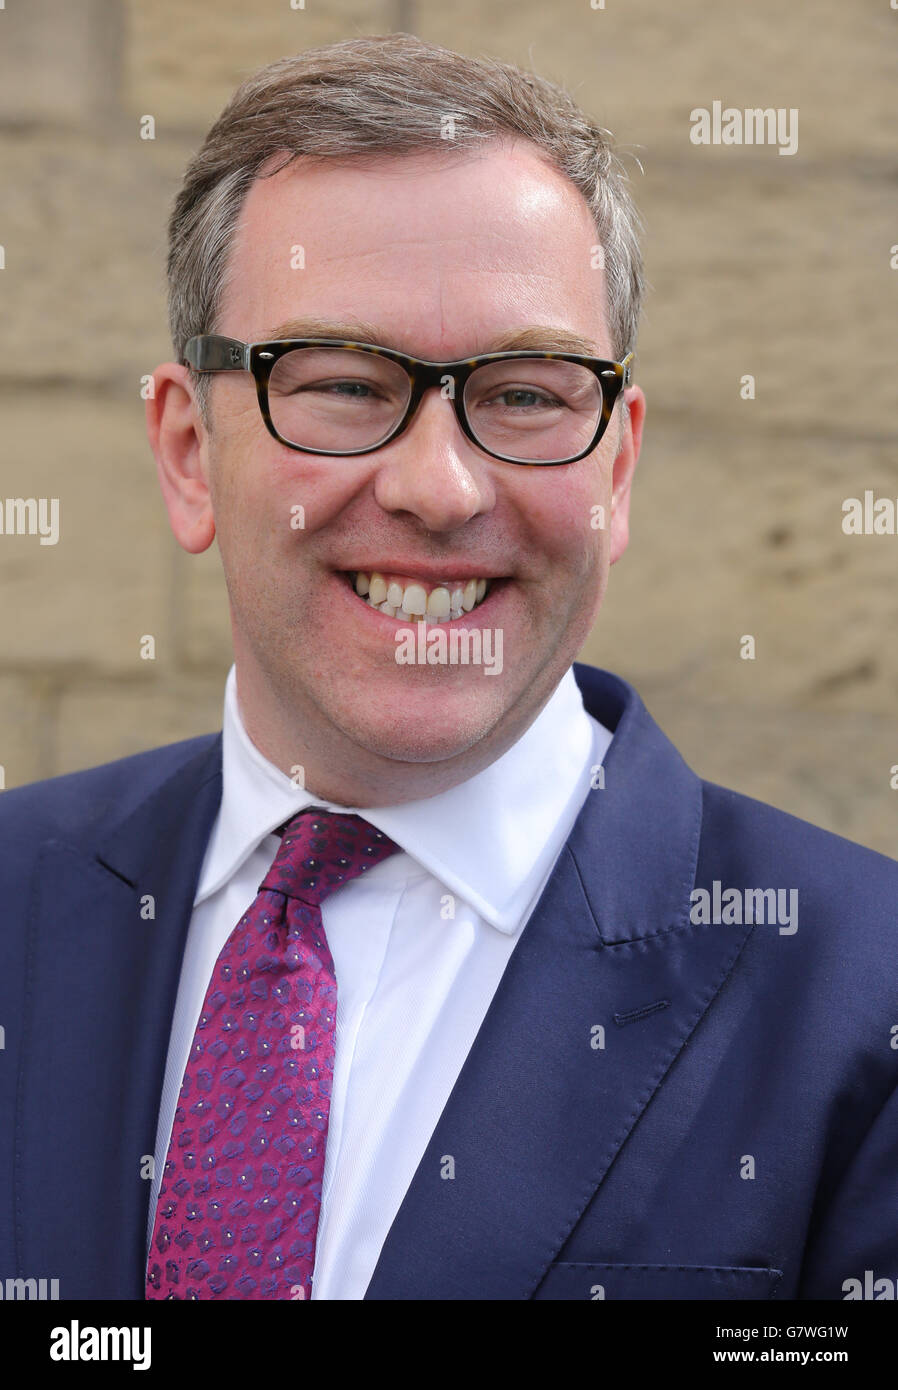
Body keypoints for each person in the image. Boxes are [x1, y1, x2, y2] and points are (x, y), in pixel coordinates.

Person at [1, 32, 896, 1303]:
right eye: (344, 384)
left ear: (617, 468)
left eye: (526, 394)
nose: (438, 485)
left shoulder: (864, 999)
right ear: (191, 452)